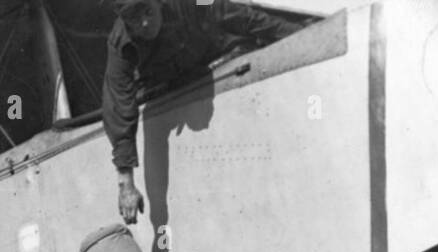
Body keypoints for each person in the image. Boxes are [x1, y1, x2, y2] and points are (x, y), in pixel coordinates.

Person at [103, 0, 296, 223]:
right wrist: (126, 184)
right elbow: (118, 104)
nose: (145, 23)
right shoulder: (119, 42)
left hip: (216, 58)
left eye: (148, 11)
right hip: (170, 83)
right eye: (134, 19)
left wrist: (298, 35)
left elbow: (242, 16)